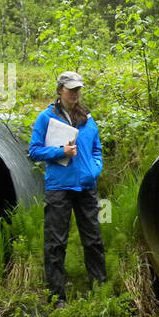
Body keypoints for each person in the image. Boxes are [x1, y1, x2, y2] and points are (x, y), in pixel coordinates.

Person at [28, 71, 106, 304]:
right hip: (59, 187)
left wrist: (94, 170)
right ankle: (57, 297)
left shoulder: (88, 118)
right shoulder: (46, 118)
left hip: (85, 186)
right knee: (56, 243)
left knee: (93, 239)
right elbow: (34, 151)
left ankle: (99, 291)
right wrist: (60, 151)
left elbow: (96, 150)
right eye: (71, 89)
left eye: (78, 89)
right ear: (60, 90)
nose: (75, 93)